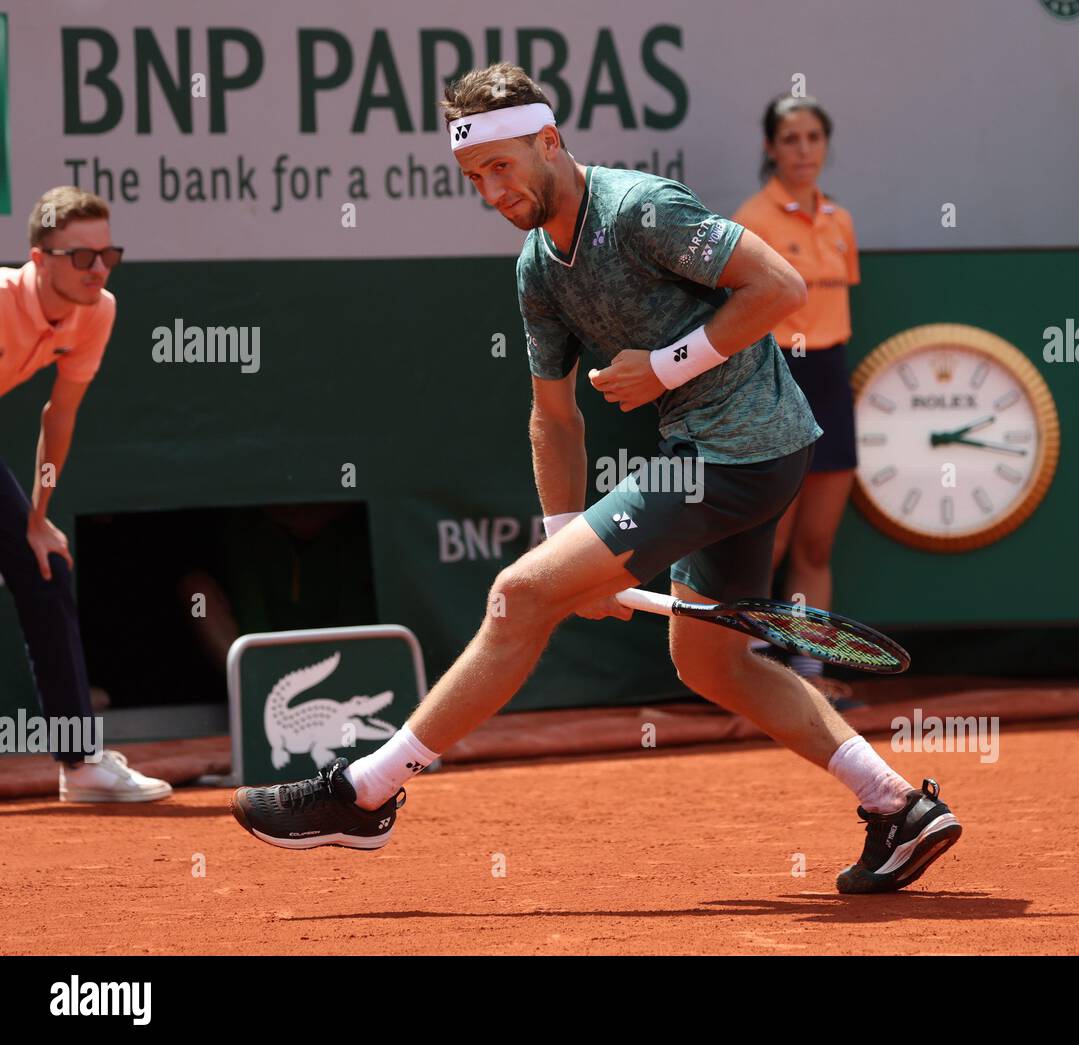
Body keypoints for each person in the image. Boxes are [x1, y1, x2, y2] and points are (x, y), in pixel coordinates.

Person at [230, 65, 960, 893]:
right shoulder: (535, 268)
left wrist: (666, 365)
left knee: (516, 596)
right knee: (711, 665)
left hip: (736, 451)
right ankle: (896, 804)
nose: (491, 190)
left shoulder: (643, 209)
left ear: (549, 142)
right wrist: (563, 539)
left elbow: (779, 287)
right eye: (474, 177)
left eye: (503, 166)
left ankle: (365, 792)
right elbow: (555, 416)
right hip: (731, 457)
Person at [0, 187, 171, 801]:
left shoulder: (96, 310)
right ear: (39, 259)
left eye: (108, 254)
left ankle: (81, 766)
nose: (98, 269)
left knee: (43, 567)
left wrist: (37, 519)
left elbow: (59, 414)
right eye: (82, 257)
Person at [733, 96, 860, 706]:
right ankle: (750, 670)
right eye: (791, 139)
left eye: (814, 137)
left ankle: (809, 671)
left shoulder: (840, 220)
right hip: (778, 377)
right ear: (770, 148)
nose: (804, 150)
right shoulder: (751, 219)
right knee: (772, 537)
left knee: (816, 542)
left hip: (832, 377)